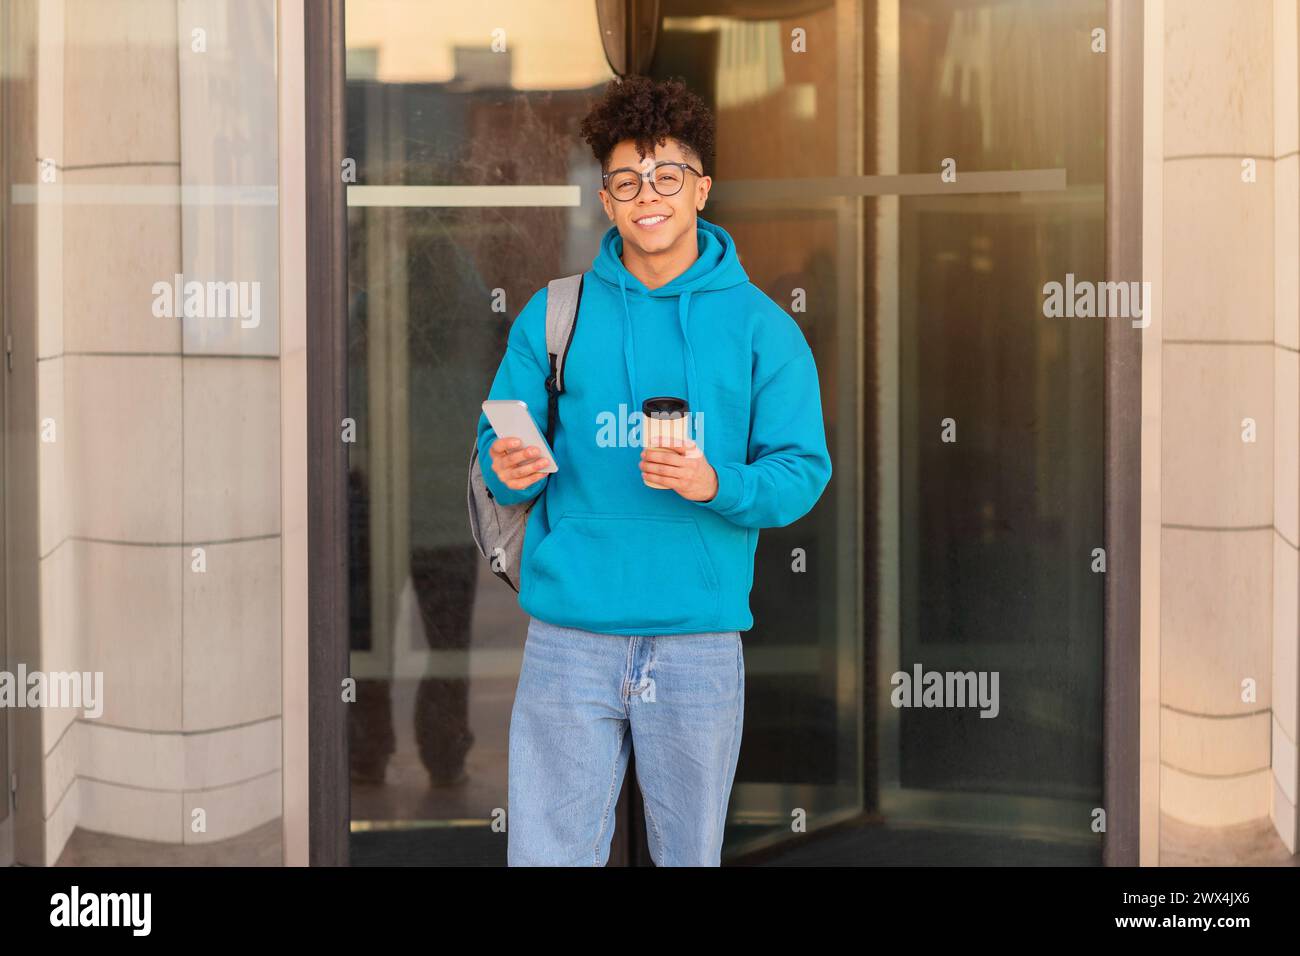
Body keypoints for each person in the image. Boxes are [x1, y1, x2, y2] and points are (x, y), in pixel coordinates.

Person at [474, 75, 833, 866]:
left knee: (688, 858)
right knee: (546, 857)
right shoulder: (556, 313)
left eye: (667, 176)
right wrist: (512, 466)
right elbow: (495, 456)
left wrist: (717, 485)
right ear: (605, 199)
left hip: (697, 641)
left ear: (700, 189)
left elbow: (804, 469)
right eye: (627, 181)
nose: (648, 195)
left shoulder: (761, 329)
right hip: (570, 637)